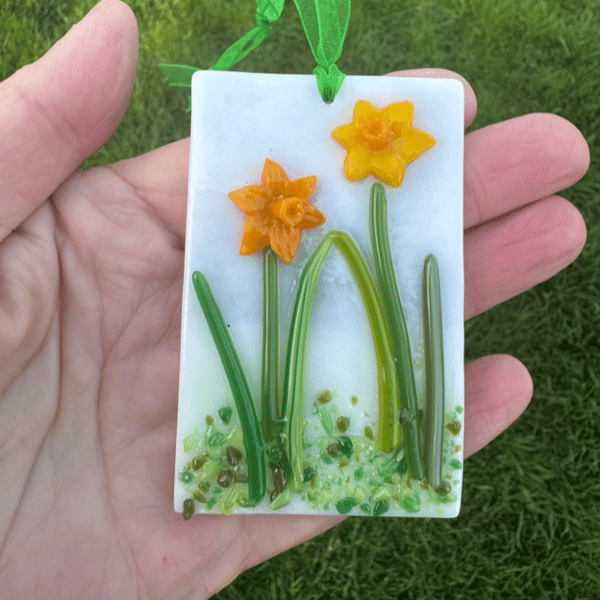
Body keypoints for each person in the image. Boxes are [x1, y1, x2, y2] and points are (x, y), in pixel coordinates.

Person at [0, 1, 589, 598]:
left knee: (369, 285)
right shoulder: (279, 209)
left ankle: (376, 447)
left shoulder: (369, 164)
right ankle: (284, 458)